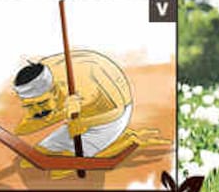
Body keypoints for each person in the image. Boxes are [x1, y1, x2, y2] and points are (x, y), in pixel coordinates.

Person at [12, 51, 165, 179]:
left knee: (60, 169)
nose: (37, 110)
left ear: (54, 90)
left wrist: (84, 123)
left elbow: (118, 110)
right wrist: (64, 114)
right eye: (30, 106)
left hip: (111, 115)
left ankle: (128, 140)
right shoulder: (40, 78)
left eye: (41, 103)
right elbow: (24, 128)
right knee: (37, 156)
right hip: (78, 113)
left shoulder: (87, 77)